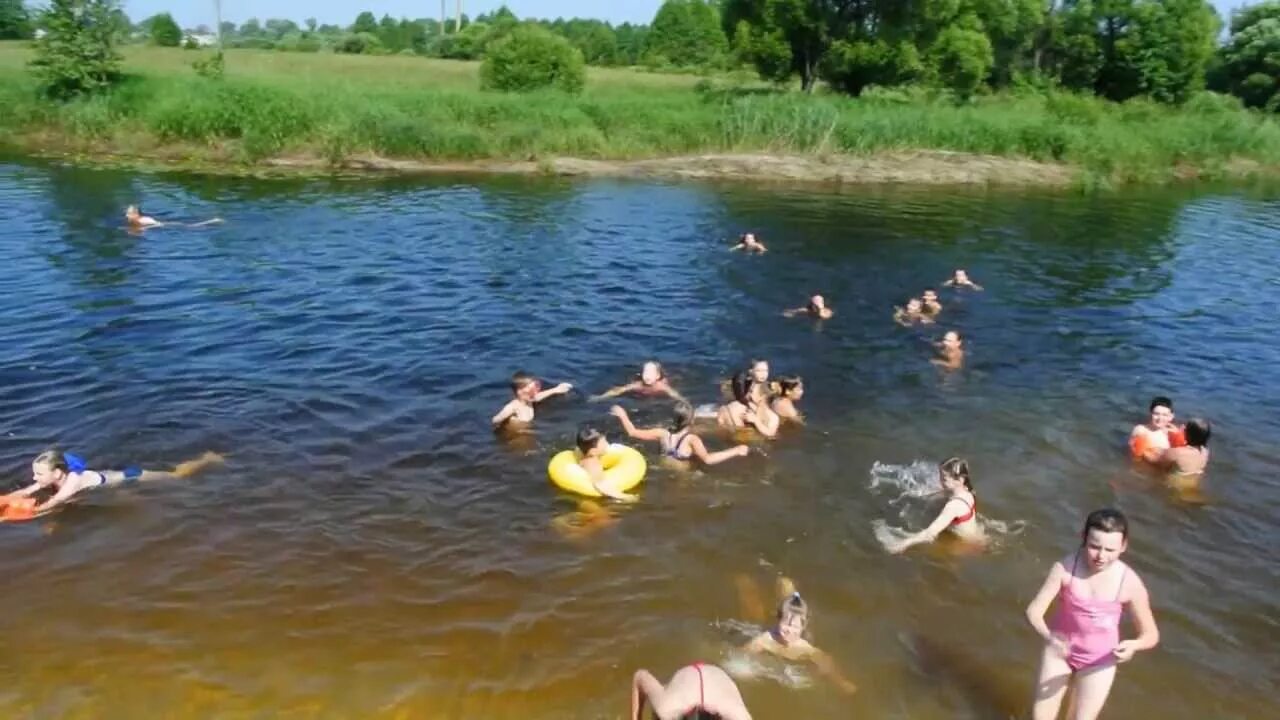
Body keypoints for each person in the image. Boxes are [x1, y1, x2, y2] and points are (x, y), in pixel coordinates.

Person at [1024, 509, 1159, 720]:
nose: (1101, 556)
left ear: (1123, 546)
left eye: (1110, 549)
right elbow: (1034, 611)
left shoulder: (1129, 582)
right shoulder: (1066, 568)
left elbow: (1151, 634)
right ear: (1083, 537)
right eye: (1094, 546)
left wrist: (1134, 645)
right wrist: (1049, 637)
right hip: (1058, 653)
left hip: (1100, 660)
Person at [3, 448, 224, 517]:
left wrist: (24, 514)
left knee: (177, 475)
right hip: (112, 485)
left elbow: (57, 500)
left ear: (58, 473)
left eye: (39, 474)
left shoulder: (73, 480)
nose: (35, 478)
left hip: (130, 476)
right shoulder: (51, 478)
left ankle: (207, 458)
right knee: (129, 502)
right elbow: (26, 491)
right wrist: (7, 501)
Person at [742, 578, 859, 694]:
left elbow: (826, 662)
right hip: (776, 624)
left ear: (802, 628)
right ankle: (748, 583)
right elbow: (742, 655)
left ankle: (787, 587)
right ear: (779, 621)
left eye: (794, 627)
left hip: (801, 630)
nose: (789, 631)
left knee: (794, 608)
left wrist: (841, 682)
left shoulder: (805, 648)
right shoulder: (765, 640)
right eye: (786, 625)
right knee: (758, 616)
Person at [884, 457, 983, 554]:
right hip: (978, 538)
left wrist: (903, 544)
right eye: (940, 476)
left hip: (965, 546)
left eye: (944, 479)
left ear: (960, 480)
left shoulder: (953, 506)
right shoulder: (967, 491)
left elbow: (930, 533)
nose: (940, 481)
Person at [610, 404, 749, 467]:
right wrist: (736, 450)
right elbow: (708, 459)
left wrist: (623, 416)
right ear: (692, 420)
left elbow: (632, 432)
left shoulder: (662, 434)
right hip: (682, 477)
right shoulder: (691, 440)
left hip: (662, 466)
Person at [631, 663, 752, 720]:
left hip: (719, 679)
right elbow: (639, 677)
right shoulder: (666, 709)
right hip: (686, 678)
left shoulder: (740, 716)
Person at [575, 426, 637, 501]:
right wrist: (624, 496)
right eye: (604, 443)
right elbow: (600, 484)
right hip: (591, 499)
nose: (607, 444)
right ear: (593, 451)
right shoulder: (593, 464)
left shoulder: (583, 453)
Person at [491, 372, 573, 428]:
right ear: (520, 391)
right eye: (531, 391)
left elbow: (538, 397)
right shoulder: (513, 407)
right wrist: (505, 421)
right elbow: (495, 420)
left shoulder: (528, 400)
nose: (535, 393)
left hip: (526, 431)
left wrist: (556, 389)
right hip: (516, 438)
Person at [717, 371, 779, 438]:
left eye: (751, 391)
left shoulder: (773, 417)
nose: (749, 394)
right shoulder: (749, 406)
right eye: (749, 391)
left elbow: (771, 433)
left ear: (762, 396)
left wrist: (756, 421)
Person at [592, 361, 686, 403]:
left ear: (657, 376)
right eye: (645, 372)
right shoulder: (638, 385)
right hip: (644, 394)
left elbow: (675, 395)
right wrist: (600, 397)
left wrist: (685, 403)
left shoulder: (661, 386)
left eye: (651, 373)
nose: (647, 375)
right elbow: (619, 390)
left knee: (672, 379)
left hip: (660, 387)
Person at [1129, 396, 1183, 461]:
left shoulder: (1171, 432)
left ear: (1171, 417)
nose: (1160, 418)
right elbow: (1134, 456)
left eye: (1164, 415)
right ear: (1150, 413)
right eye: (1156, 414)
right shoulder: (1141, 430)